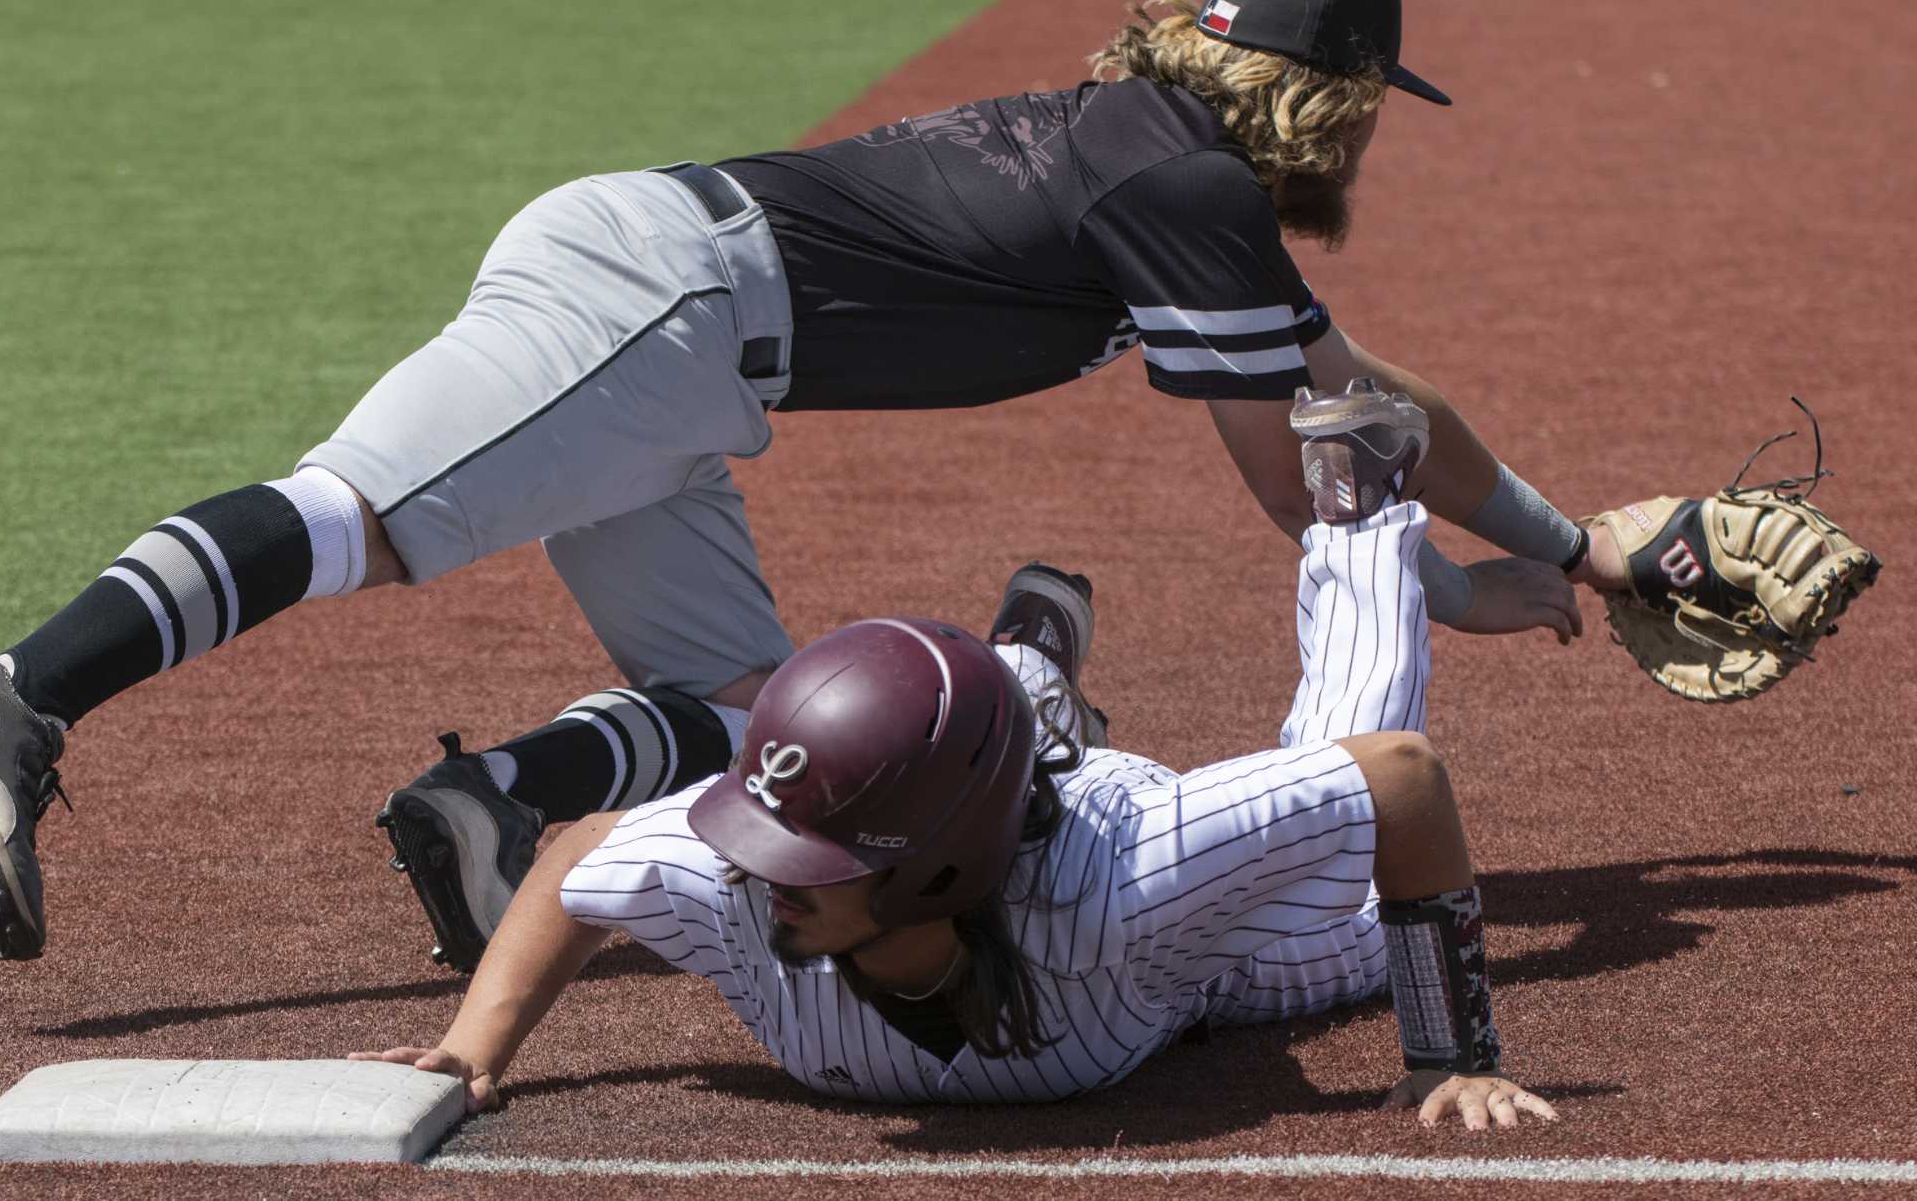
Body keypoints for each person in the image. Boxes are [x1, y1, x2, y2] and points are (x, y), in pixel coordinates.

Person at [0, 0, 1611, 963]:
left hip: (694, 347)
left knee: (759, 721)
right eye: (1372, 101)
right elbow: (1298, 459)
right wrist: (1444, 597)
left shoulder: (1151, 152)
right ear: (1332, 90)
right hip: (666, 301)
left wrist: (1568, 539)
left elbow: (1352, 391)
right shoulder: (1181, 185)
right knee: (360, 518)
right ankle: (24, 691)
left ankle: (490, 813)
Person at [351, 384, 1565, 1128]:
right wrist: (472, 1050)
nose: (759, 873)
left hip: (1170, 936)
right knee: (971, 761)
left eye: (802, 856)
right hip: (993, 805)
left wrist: (1448, 1053)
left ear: (924, 870)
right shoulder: (736, 890)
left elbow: (1394, 774)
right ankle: (1022, 667)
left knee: (1350, 901)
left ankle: (1356, 513)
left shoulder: (1137, 886)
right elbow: (582, 856)